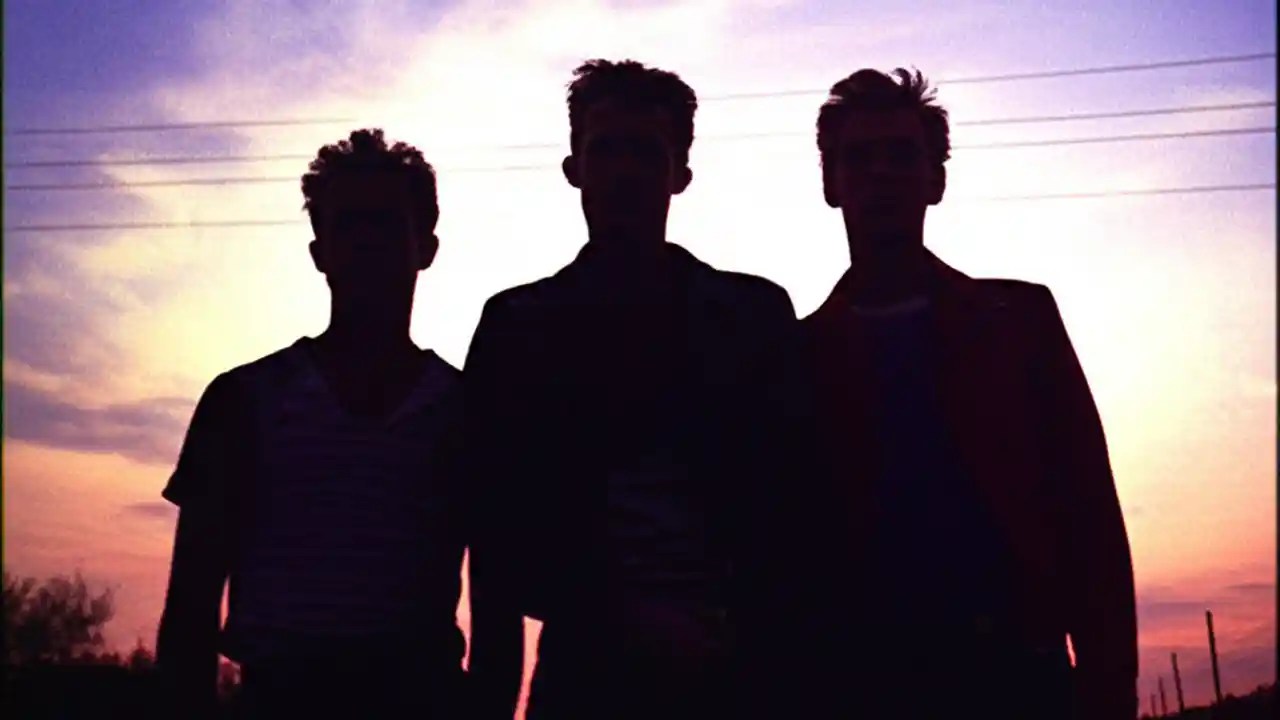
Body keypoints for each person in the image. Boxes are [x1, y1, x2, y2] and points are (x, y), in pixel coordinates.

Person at [463, 58, 812, 720]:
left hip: (739, 678)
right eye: (607, 150)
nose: (625, 172)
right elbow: (496, 542)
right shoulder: (518, 327)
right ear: (574, 167)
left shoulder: (754, 317)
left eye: (645, 152)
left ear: (680, 171)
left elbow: (797, 515)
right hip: (585, 678)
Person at [801, 67, 1139, 719]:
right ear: (830, 182)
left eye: (901, 155)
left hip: (1019, 680)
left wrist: (1109, 688)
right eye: (859, 157)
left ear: (936, 179)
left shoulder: (1020, 321)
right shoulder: (795, 353)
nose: (880, 174)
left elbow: (1091, 517)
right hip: (861, 689)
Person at [155, 129, 469, 719]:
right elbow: (190, 608)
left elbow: (497, 603)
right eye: (348, 225)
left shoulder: (464, 409)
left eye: (385, 223)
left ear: (425, 246)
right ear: (319, 250)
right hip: (279, 697)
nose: (367, 244)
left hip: (420, 697)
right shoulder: (241, 401)